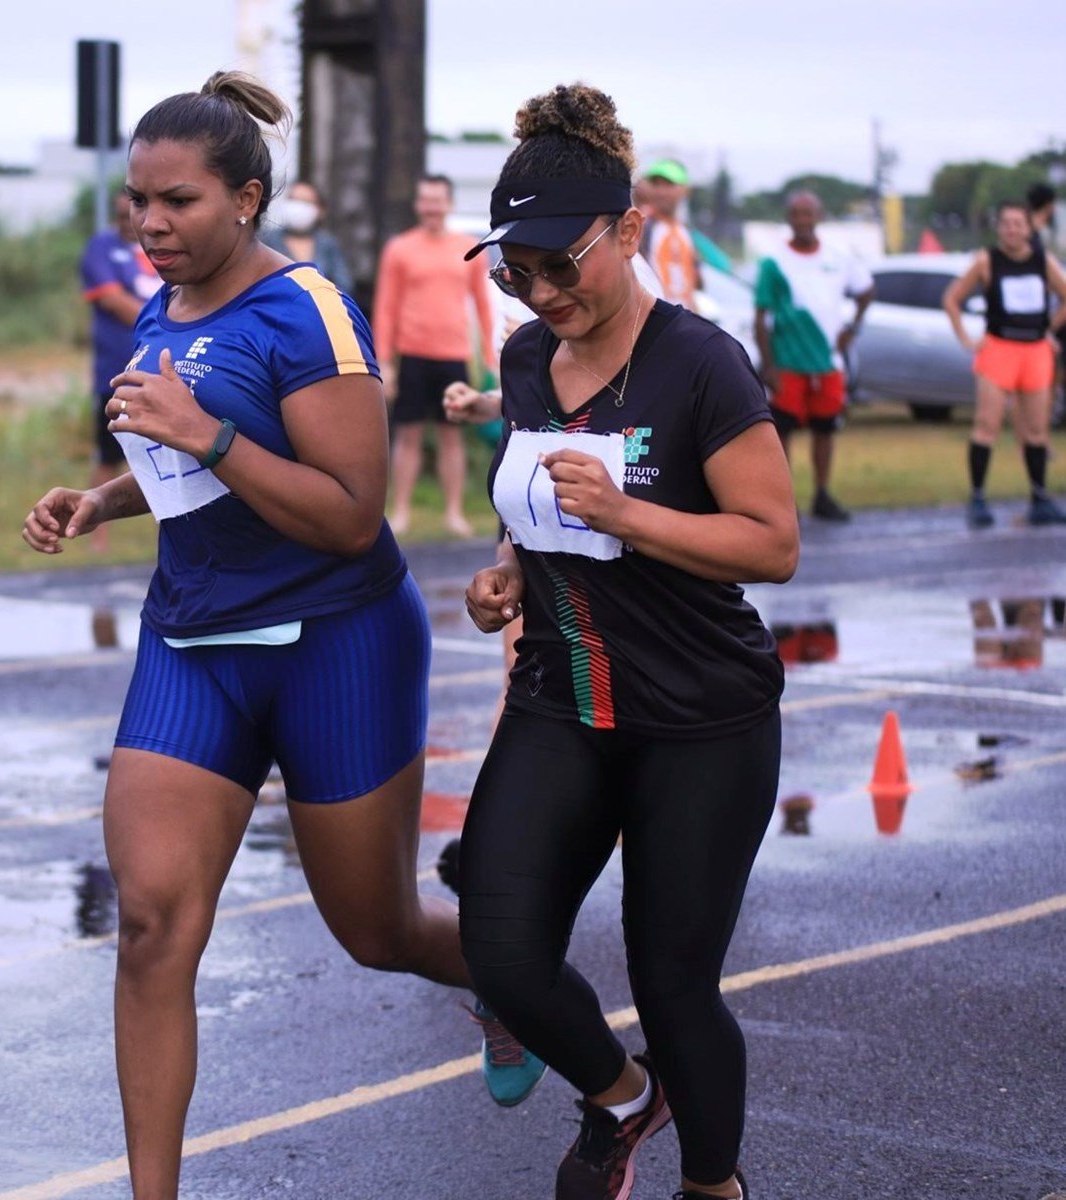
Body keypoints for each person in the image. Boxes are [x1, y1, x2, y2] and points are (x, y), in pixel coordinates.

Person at [21, 71, 541, 1200]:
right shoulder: (161, 307)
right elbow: (184, 461)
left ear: (246, 199)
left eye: (178, 203)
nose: (151, 226)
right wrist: (101, 499)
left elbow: (351, 511)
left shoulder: (303, 307)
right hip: (192, 642)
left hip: (334, 640)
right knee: (153, 925)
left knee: (378, 930)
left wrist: (202, 436)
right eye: (136, 205)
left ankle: (509, 983)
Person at [455, 83, 799, 1200]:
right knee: (498, 948)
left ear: (628, 233)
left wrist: (626, 515)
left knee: (672, 984)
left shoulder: (700, 365)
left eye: (564, 265)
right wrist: (510, 570)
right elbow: (532, 504)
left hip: (699, 717)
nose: (543, 291)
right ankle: (620, 1098)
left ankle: (712, 1184)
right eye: (518, 271)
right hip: (562, 695)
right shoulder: (519, 361)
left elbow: (771, 543)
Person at [374, 174, 499, 537]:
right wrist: (385, 362)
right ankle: (400, 511)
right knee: (408, 435)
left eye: (437, 200)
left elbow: (484, 306)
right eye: (425, 200)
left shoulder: (469, 247)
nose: (431, 207)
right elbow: (386, 308)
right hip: (412, 353)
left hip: (453, 355)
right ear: (418, 204)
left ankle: (455, 512)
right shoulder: (400, 248)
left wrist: (490, 357)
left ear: (449, 203)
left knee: (451, 436)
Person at [943, 200, 1066, 528]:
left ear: (1029, 228)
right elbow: (952, 299)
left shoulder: (1043, 261)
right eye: (1006, 223)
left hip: (1035, 350)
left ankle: (1039, 498)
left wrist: (1050, 330)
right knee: (988, 424)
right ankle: (978, 498)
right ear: (999, 228)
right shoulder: (987, 261)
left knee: (1037, 429)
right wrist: (967, 340)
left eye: (1018, 223)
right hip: (999, 348)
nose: (1012, 229)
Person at [753, 190, 873, 523]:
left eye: (809, 214)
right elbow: (760, 316)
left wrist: (852, 327)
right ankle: (783, 502)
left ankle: (822, 495)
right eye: (797, 214)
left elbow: (866, 290)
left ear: (819, 216)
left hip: (827, 362)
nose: (803, 221)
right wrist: (769, 365)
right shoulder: (773, 262)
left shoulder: (838, 256)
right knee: (782, 434)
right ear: (789, 218)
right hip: (788, 362)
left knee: (826, 430)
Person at [81, 188, 163, 551]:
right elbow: (113, 300)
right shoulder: (101, 249)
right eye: (133, 201)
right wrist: (169, 325)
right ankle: (96, 534)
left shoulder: (165, 249)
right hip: (117, 370)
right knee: (111, 452)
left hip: (170, 372)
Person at [260, 178, 353, 293]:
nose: (298, 207)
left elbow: (344, 285)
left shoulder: (327, 244)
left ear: (320, 210)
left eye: (305, 202)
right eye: (293, 199)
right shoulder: (268, 239)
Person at [636, 159, 701, 313]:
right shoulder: (641, 224)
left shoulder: (684, 232)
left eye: (668, 184)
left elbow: (693, 282)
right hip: (655, 318)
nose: (661, 191)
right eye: (656, 184)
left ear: (684, 190)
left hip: (682, 320)